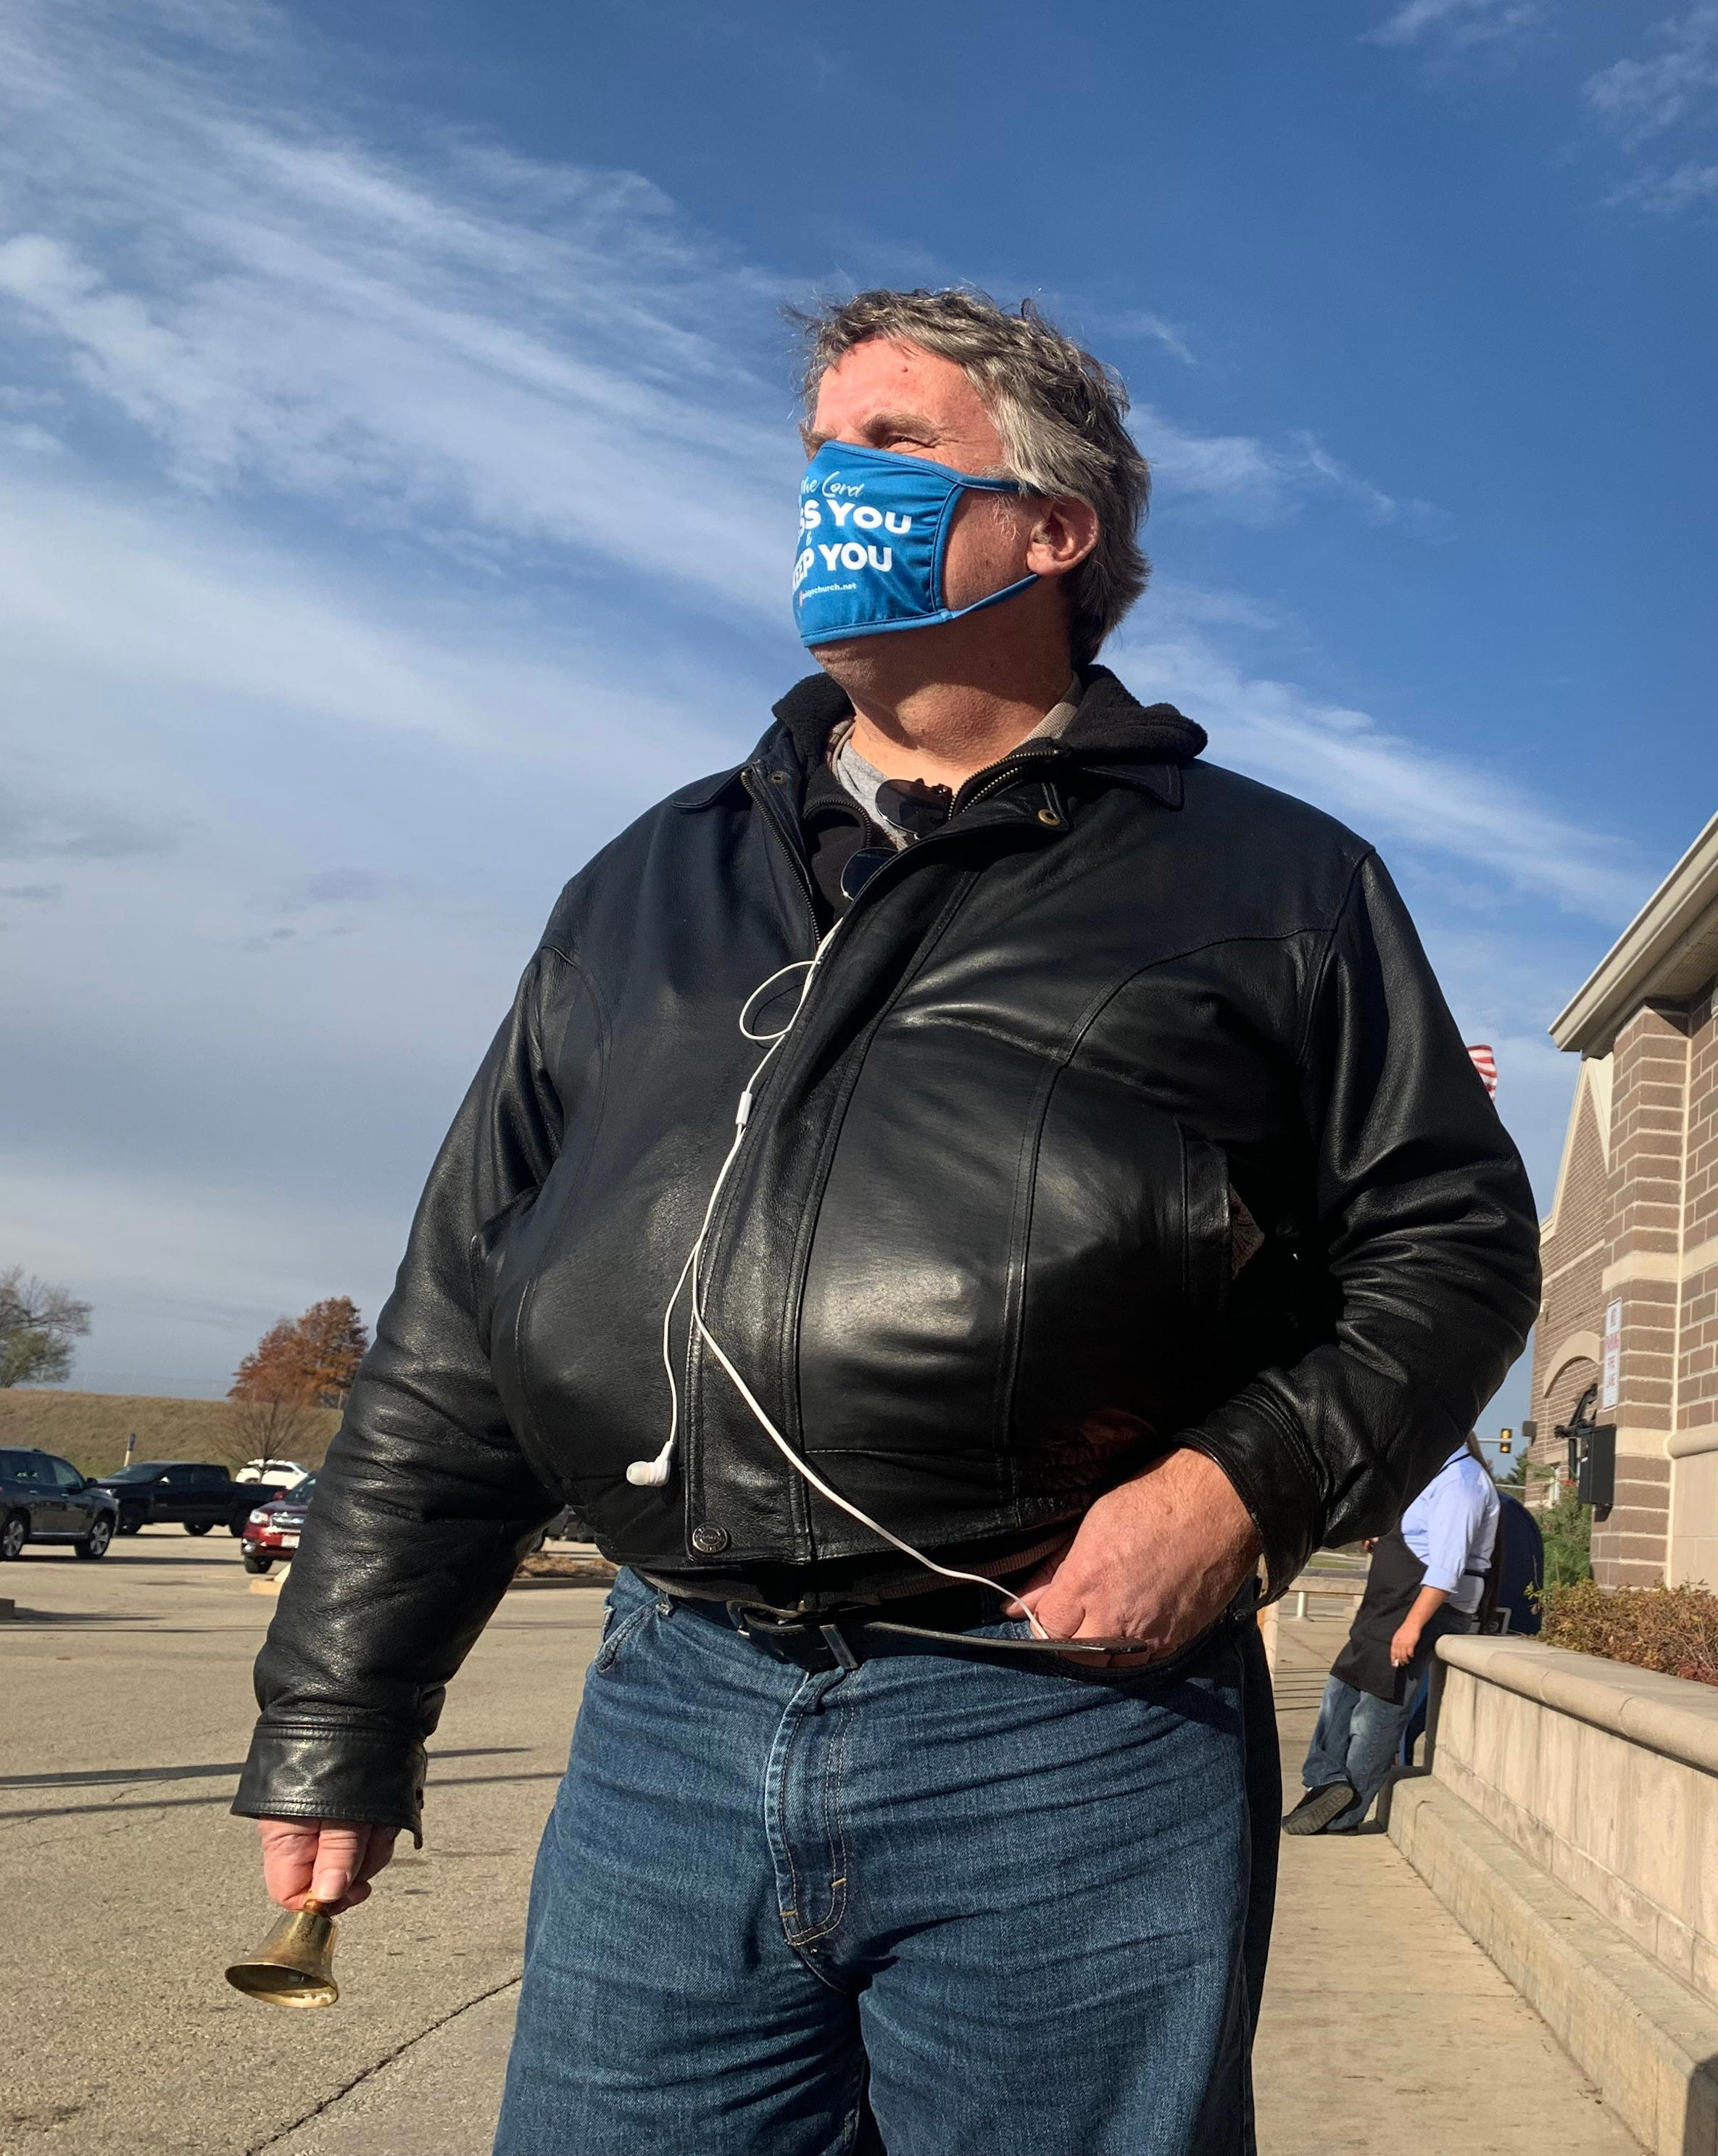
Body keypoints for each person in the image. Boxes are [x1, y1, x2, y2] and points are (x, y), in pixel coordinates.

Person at [231, 286, 1538, 2156]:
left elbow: (1450, 1240)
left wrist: (1234, 1491)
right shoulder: (650, 881)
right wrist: (340, 1708)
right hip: (671, 1714)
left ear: (1054, 526)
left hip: (1063, 1727)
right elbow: (458, 1315)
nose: (828, 488)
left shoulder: (1271, 878)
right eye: (817, 450)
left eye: (891, 445)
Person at [1282, 1439, 1499, 1836]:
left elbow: (1446, 1570)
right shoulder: (1427, 1475)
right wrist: (1381, 1538)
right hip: (1390, 1601)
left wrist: (1412, 1627)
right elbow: (1417, 1537)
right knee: (1342, 1684)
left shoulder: (1462, 1483)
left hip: (1424, 1608)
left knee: (1380, 1707)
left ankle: (1346, 1813)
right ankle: (1326, 1781)